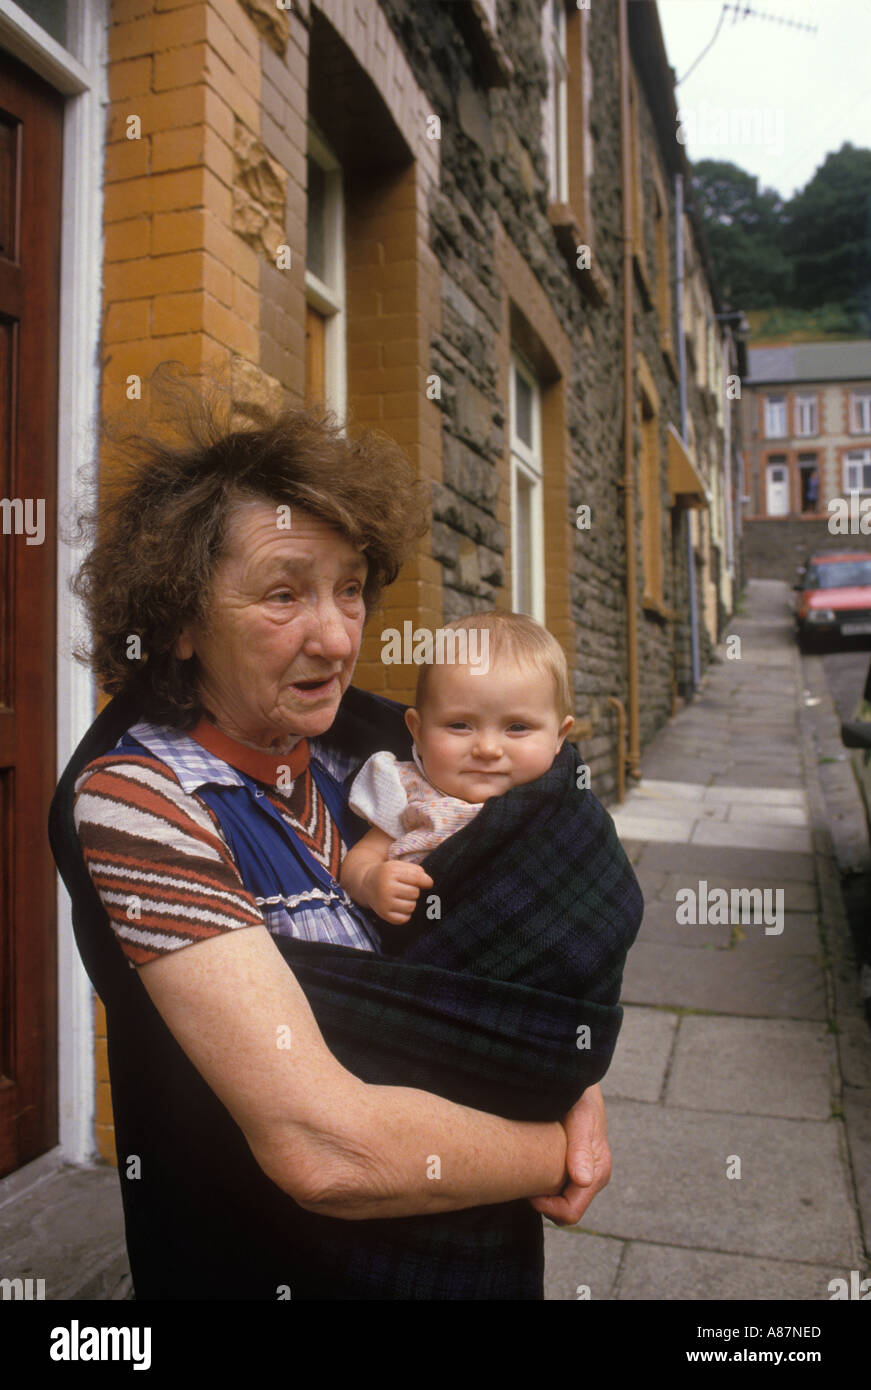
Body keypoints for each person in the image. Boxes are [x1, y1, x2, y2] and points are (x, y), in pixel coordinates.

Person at [51, 373, 620, 1300]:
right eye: (283, 595)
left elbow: (516, 943)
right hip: (267, 1260)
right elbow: (325, 1151)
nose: (333, 637)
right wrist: (555, 1146)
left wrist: (566, 1070)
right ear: (182, 621)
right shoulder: (137, 801)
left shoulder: (365, 745)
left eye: (348, 590)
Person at [341, 612, 577, 925]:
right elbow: (361, 859)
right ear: (418, 732)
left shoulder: (559, 802)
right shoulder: (408, 789)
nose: (488, 749)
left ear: (559, 736)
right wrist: (371, 881)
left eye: (517, 727)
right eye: (460, 725)